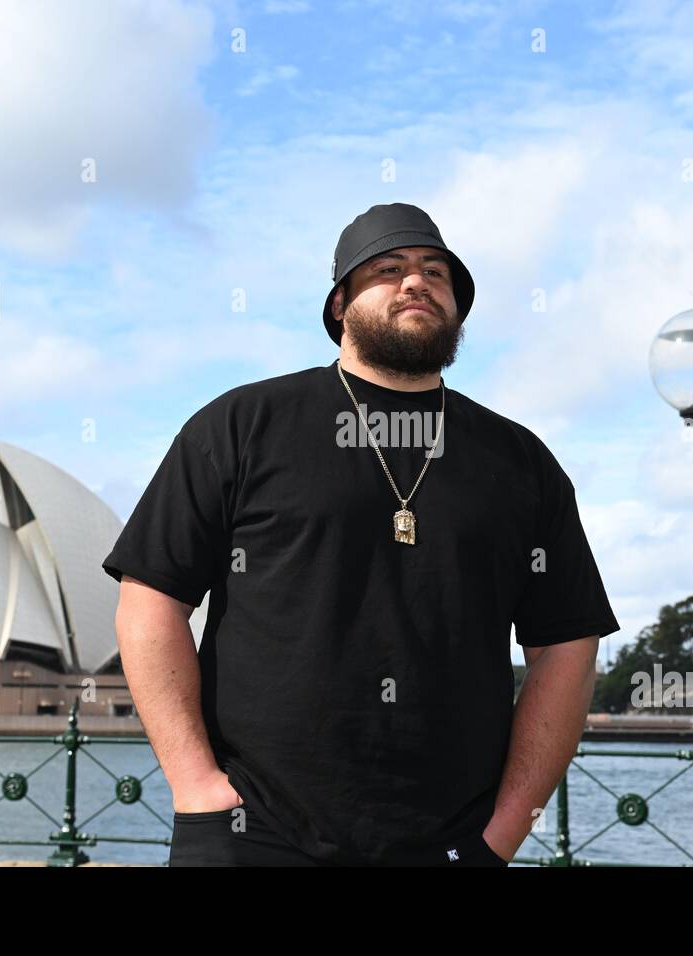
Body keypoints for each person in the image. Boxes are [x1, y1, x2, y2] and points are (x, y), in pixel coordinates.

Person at [102, 202, 621, 867]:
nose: (417, 282)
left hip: (453, 844)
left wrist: (505, 830)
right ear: (340, 303)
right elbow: (151, 600)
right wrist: (195, 785)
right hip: (250, 831)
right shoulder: (241, 425)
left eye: (436, 271)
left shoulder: (519, 460)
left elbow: (566, 644)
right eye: (389, 269)